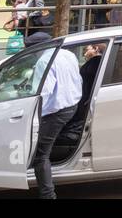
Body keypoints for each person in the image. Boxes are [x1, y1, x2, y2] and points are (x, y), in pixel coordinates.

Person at [26, 31, 82, 199]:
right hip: (73, 105)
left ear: (37, 48)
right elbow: (78, 80)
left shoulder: (44, 61)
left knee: (40, 155)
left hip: (56, 111)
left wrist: (30, 114)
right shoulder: (67, 54)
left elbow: (44, 92)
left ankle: (48, 195)